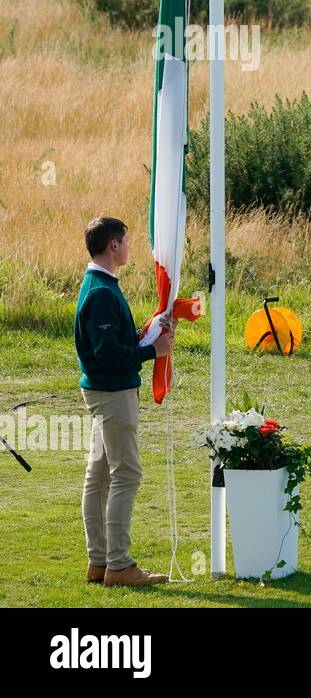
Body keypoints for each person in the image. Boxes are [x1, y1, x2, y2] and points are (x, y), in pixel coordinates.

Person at [75, 216, 174, 587]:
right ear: (113, 246)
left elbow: (116, 342)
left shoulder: (99, 285)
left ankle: (99, 562)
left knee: (99, 475)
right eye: (126, 241)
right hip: (111, 393)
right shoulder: (100, 291)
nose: (129, 247)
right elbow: (107, 354)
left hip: (104, 391)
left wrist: (148, 336)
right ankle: (118, 564)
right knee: (126, 474)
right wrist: (152, 352)